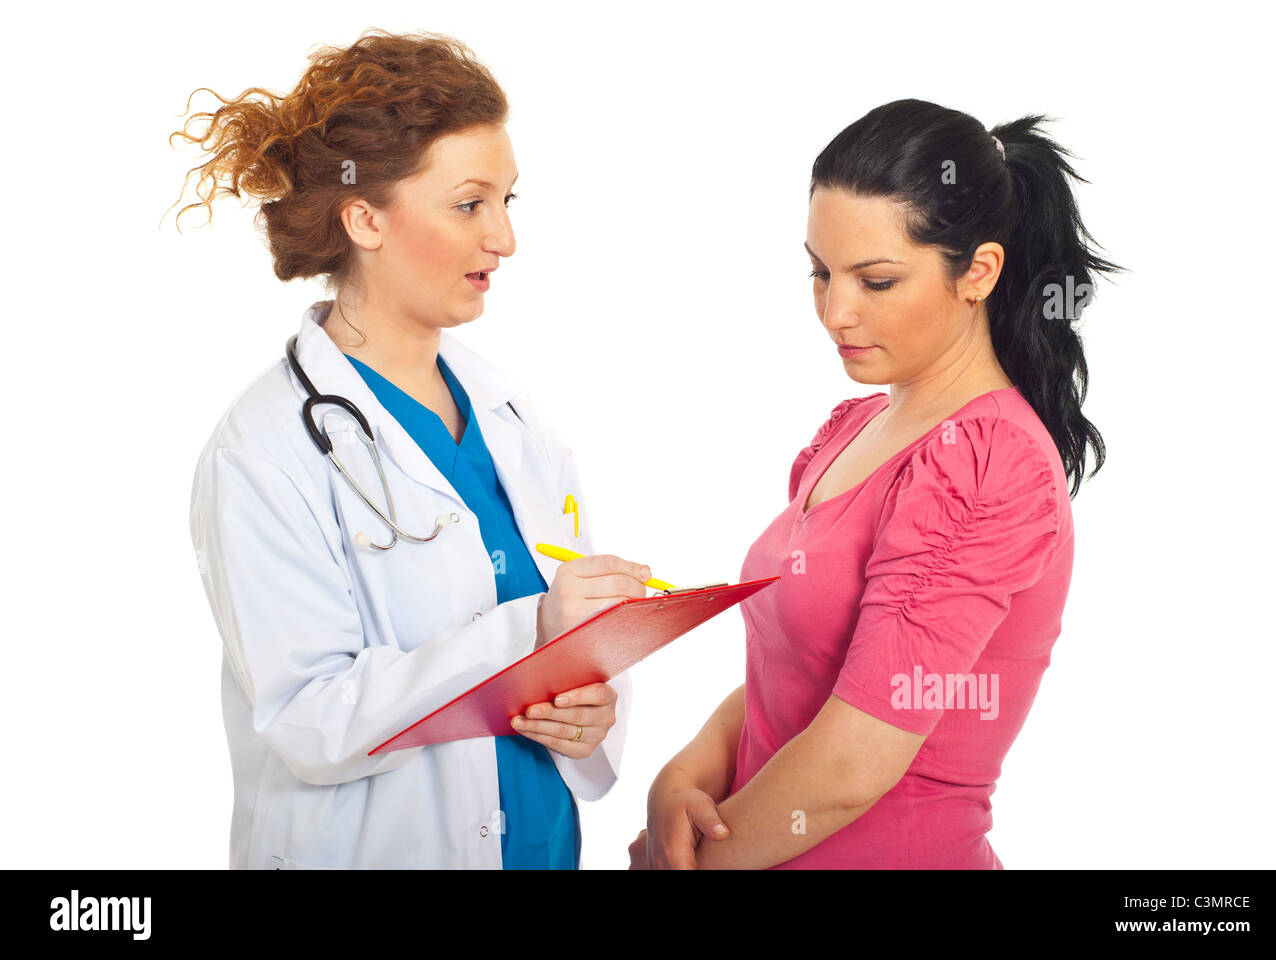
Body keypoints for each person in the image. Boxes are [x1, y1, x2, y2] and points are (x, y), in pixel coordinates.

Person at [177, 29, 647, 869]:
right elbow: (310, 721)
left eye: (509, 201)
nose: (504, 239)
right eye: (470, 204)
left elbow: (568, 648)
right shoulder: (264, 450)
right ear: (365, 219)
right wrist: (528, 633)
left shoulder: (519, 425)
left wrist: (590, 711)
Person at [630, 99, 1121, 869]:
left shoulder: (988, 464)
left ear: (979, 273)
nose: (836, 311)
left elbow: (856, 762)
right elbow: (798, 673)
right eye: (820, 272)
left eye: (878, 280)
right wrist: (685, 774)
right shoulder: (853, 426)